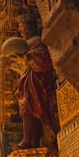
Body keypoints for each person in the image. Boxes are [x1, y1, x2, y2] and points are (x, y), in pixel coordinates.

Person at [14, 16, 60, 149]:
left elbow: (43, 63)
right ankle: (30, 139)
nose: (23, 31)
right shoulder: (25, 45)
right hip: (28, 81)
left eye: (26, 28)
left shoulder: (37, 43)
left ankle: (30, 139)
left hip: (38, 82)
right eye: (21, 29)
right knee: (25, 107)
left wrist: (27, 58)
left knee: (30, 104)